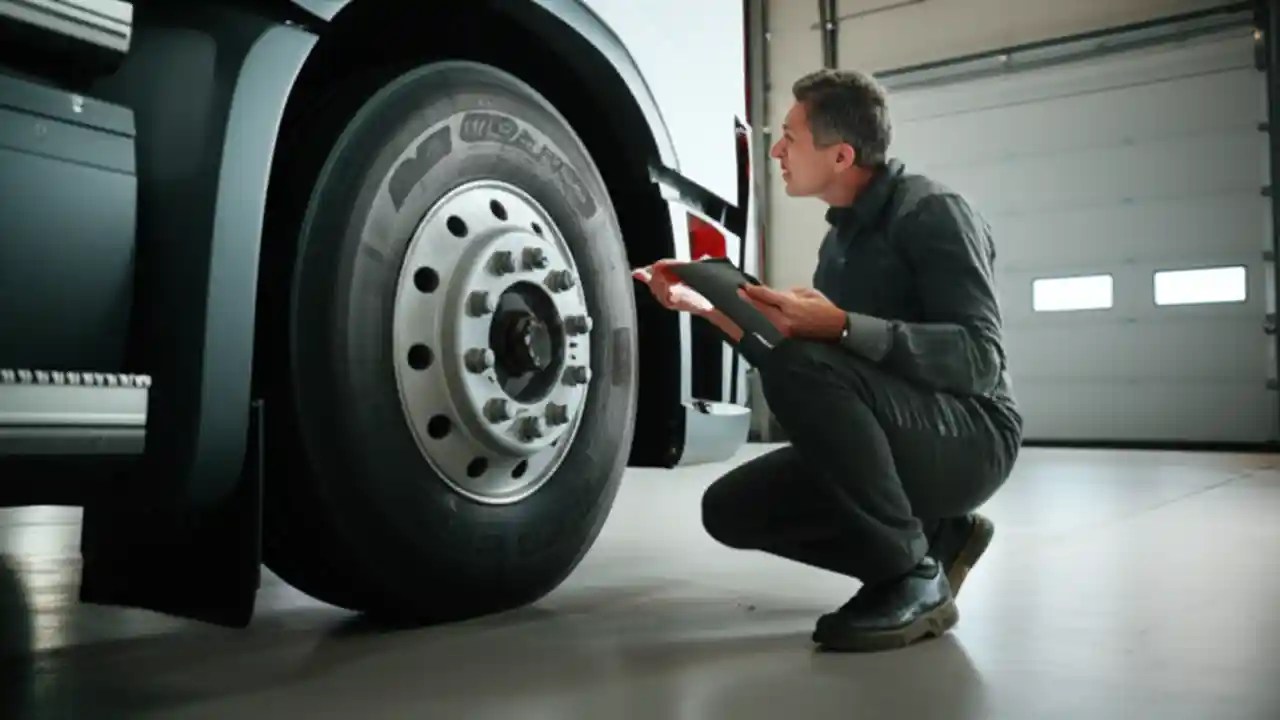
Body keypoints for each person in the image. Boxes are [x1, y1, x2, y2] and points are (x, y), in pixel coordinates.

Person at [634, 68, 1023, 653]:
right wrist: (705, 307)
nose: (776, 149)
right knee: (731, 510)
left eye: (789, 135)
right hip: (901, 431)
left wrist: (840, 326)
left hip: (973, 437)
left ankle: (911, 579)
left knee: (802, 364)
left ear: (841, 156)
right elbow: (796, 355)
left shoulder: (934, 212)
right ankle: (936, 541)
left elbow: (981, 359)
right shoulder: (838, 245)